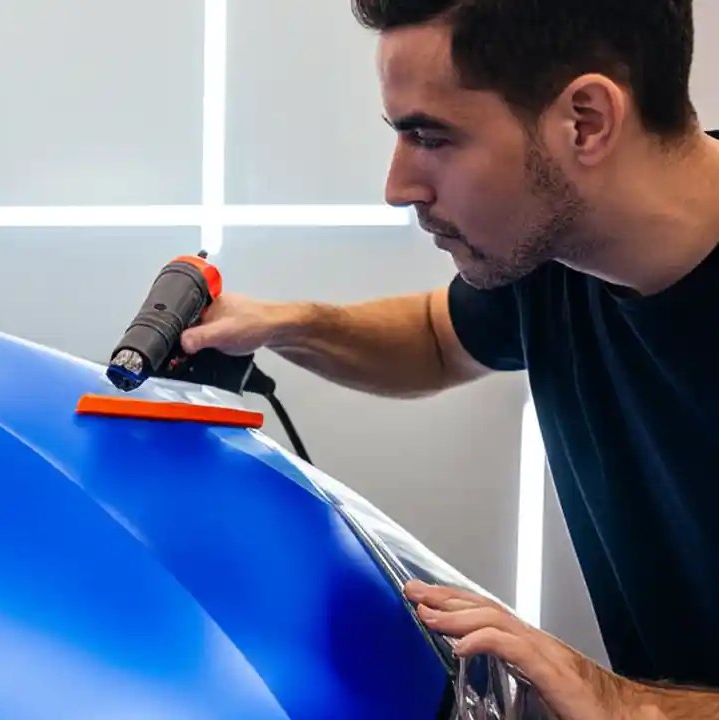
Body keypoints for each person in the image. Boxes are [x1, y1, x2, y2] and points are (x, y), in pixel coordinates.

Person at [181, 0, 719, 717]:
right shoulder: (556, 250)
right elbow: (439, 337)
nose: (398, 186)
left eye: (430, 137)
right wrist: (285, 326)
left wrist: (625, 704)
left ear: (585, 121)